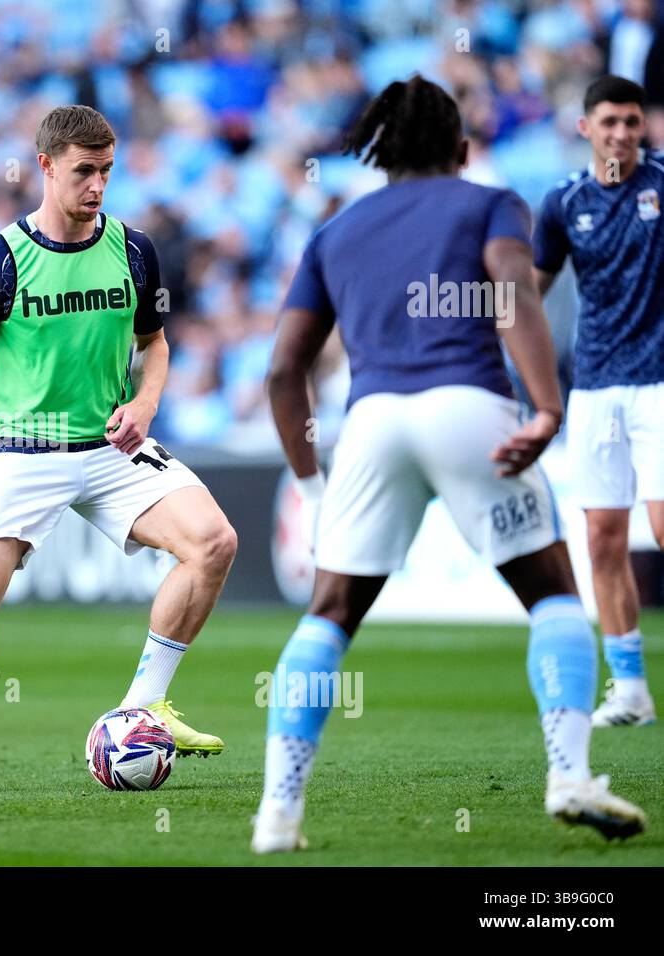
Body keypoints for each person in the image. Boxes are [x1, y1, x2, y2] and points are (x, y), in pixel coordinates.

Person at [253, 76, 646, 853]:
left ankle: (277, 813)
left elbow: (281, 371)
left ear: (380, 153)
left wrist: (307, 480)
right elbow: (514, 293)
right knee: (554, 596)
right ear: (461, 150)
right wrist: (547, 405)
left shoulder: (337, 229)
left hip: (371, 423)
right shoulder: (488, 202)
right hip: (468, 408)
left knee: (330, 612)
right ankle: (569, 775)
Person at [0, 105, 237, 797]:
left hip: (112, 446)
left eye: (107, 171)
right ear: (45, 166)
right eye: (84, 171)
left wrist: (144, 404)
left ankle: (145, 704)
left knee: (213, 541)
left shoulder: (136, 249)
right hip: (26, 451)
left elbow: (156, 345)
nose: (98, 186)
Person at [533, 75, 662, 728]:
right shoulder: (563, 203)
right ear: (586, 128)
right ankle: (631, 688)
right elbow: (530, 290)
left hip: (660, 384)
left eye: (632, 122)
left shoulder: (662, 186)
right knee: (603, 537)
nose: (621, 133)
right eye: (609, 121)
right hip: (595, 388)